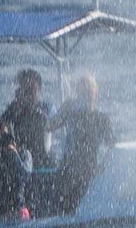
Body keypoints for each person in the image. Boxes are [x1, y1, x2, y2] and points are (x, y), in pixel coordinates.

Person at [46, 74, 116, 214]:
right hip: (68, 171)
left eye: (89, 93)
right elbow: (49, 127)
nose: (87, 97)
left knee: (79, 209)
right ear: (78, 95)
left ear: (95, 95)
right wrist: (63, 109)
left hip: (89, 172)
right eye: (83, 93)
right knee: (63, 209)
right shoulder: (71, 114)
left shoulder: (101, 119)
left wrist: (102, 167)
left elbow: (113, 146)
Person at [0, 117, 33, 222]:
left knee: (19, 213)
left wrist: (13, 154)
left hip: (17, 209)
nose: (1, 140)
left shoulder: (23, 154)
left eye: (4, 135)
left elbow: (26, 174)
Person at [0, 68, 51, 167]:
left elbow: (52, 122)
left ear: (39, 89)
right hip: (20, 157)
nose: (27, 93)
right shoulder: (15, 107)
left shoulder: (46, 107)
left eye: (30, 90)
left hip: (41, 158)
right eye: (24, 89)